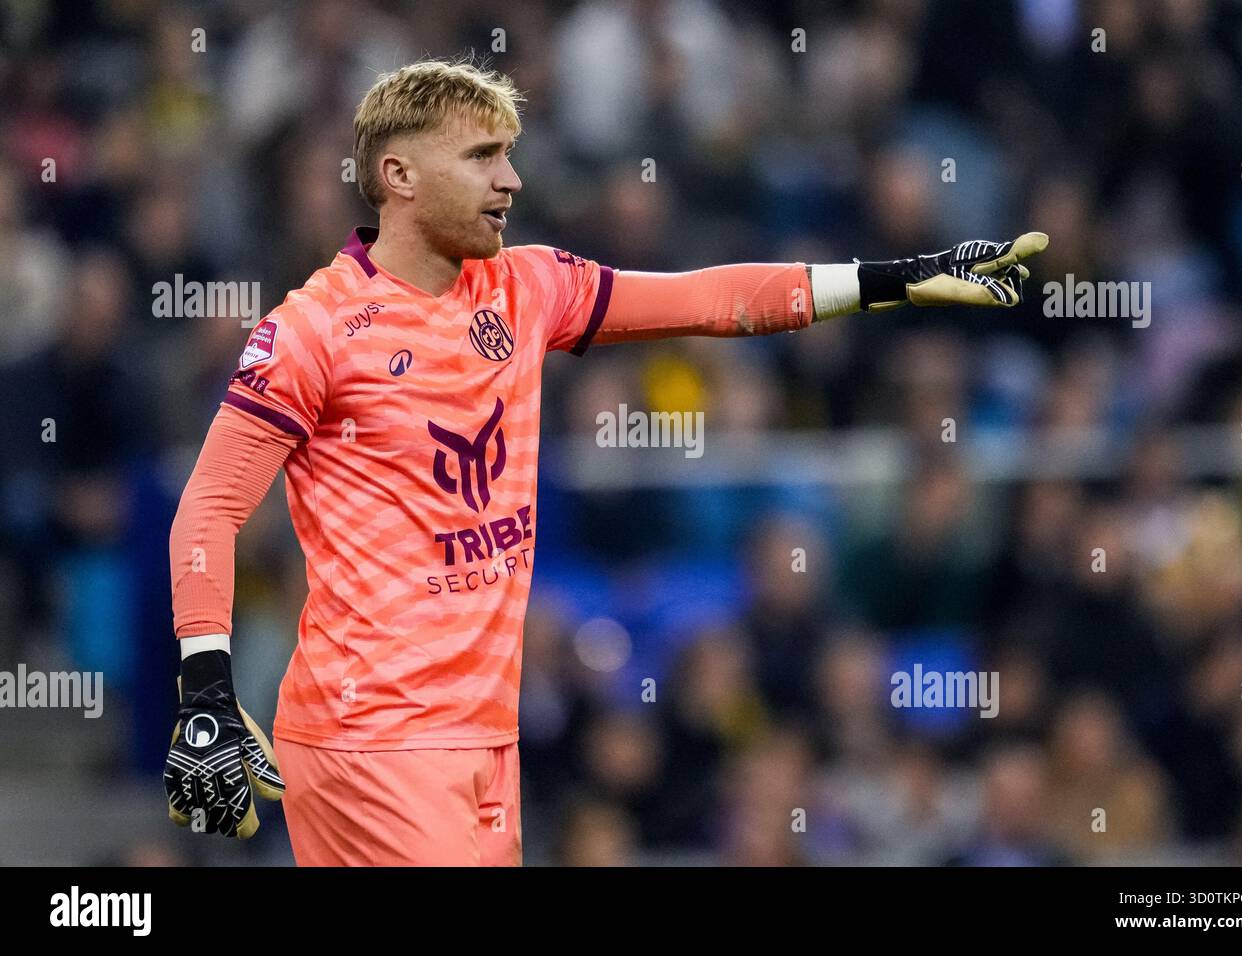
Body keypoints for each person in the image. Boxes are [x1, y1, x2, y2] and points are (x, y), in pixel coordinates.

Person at [163, 56, 1046, 866]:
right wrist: (206, 690)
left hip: (482, 732)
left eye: (508, 155)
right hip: (372, 733)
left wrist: (900, 277)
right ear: (397, 175)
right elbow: (207, 509)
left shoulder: (527, 286)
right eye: (481, 157)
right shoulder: (312, 332)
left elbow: (711, 301)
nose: (510, 179)